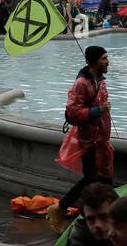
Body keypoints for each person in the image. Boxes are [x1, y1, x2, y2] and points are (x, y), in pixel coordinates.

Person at [48, 45, 114, 233]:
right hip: (89, 143)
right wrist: (98, 111)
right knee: (93, 181)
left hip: (102, 141)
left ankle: (94, 218)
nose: (107, 61)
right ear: (93, 61)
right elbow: (72, 114)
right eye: (103, 58)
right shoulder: (82, 84)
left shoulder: (100, 81)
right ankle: (62, 210)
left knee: (102, 180)